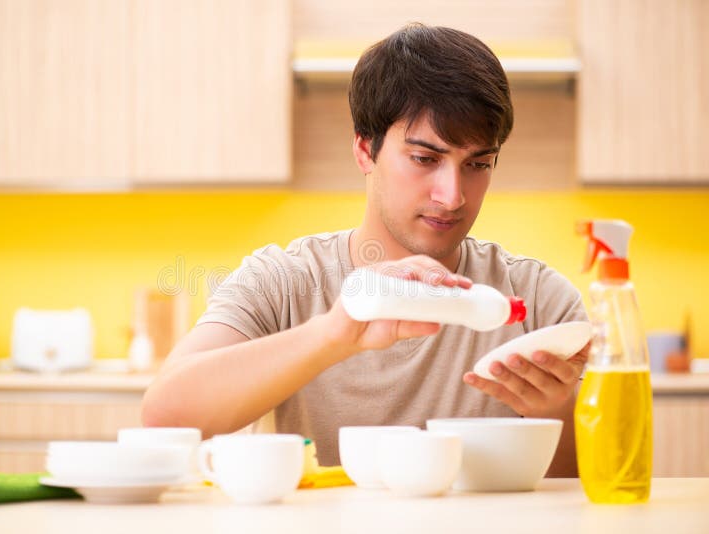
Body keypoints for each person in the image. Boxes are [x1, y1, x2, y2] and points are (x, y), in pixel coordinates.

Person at [142, 24, 588, 475]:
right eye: (425, 159)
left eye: (478, 164)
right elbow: (165, 416)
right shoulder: (281, 281)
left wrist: (554, 412)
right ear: (363, 150)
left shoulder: (539, 300)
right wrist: (335, 332)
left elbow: (590, 489)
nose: (452, 196)